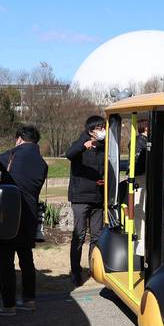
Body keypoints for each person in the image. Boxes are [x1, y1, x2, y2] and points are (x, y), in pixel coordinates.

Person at [0, 125, 48, 314]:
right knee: (26, 258)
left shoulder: (14, 154)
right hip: (29, 216)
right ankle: (29, 300)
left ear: (19, 138)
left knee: (4, 259)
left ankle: (8, 304)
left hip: (9, 216)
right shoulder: (42, 163)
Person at [65, 115, 106, 286]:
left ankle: (93, 268)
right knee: (79, 236)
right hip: (80, 197)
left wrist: (105, 180)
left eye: (104, 127)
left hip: (98, 197)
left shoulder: (104, 147)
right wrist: (84, 145)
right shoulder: (80, 144)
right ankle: (75, 272)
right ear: (91, 130)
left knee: (96, 236)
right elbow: (69, 154)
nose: (103, 131)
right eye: (99, 128)